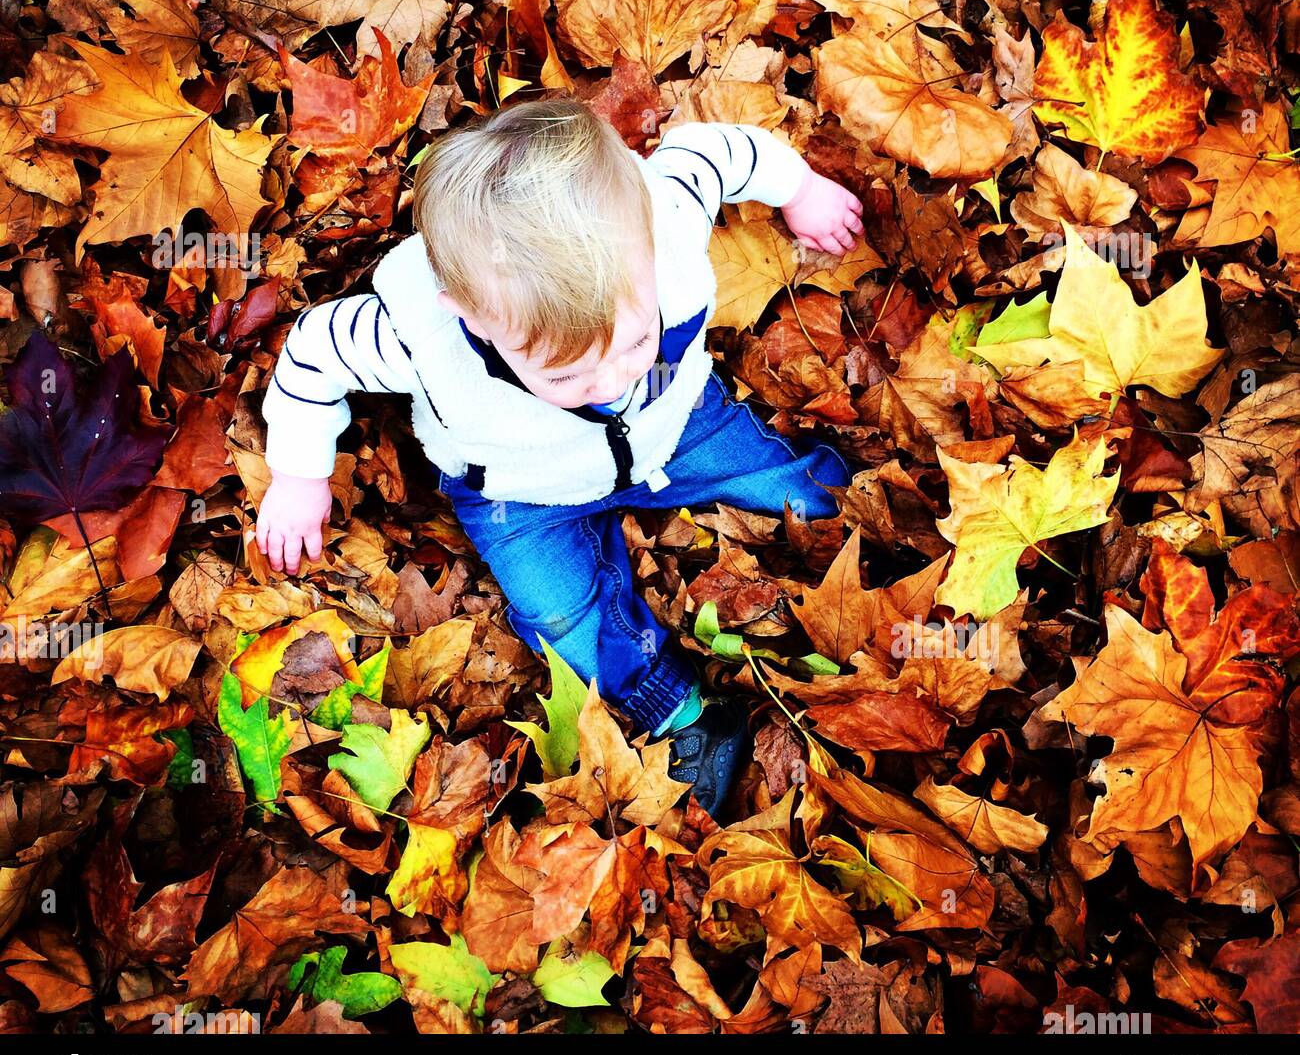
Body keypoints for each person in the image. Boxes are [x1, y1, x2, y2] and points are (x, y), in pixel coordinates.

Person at [256, 99, 864, 819]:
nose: (610, 384)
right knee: (558, 613)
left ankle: (864, 530)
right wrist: (299, 473)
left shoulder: (661, 218)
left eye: (634, 344)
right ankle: (681, 715)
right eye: (569, 376)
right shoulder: (417, 333)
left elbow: (719, 152)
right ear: (470, 313)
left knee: (786, 479)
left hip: (674, 423)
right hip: (521, 491)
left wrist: (801, 190)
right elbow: (314, 352)